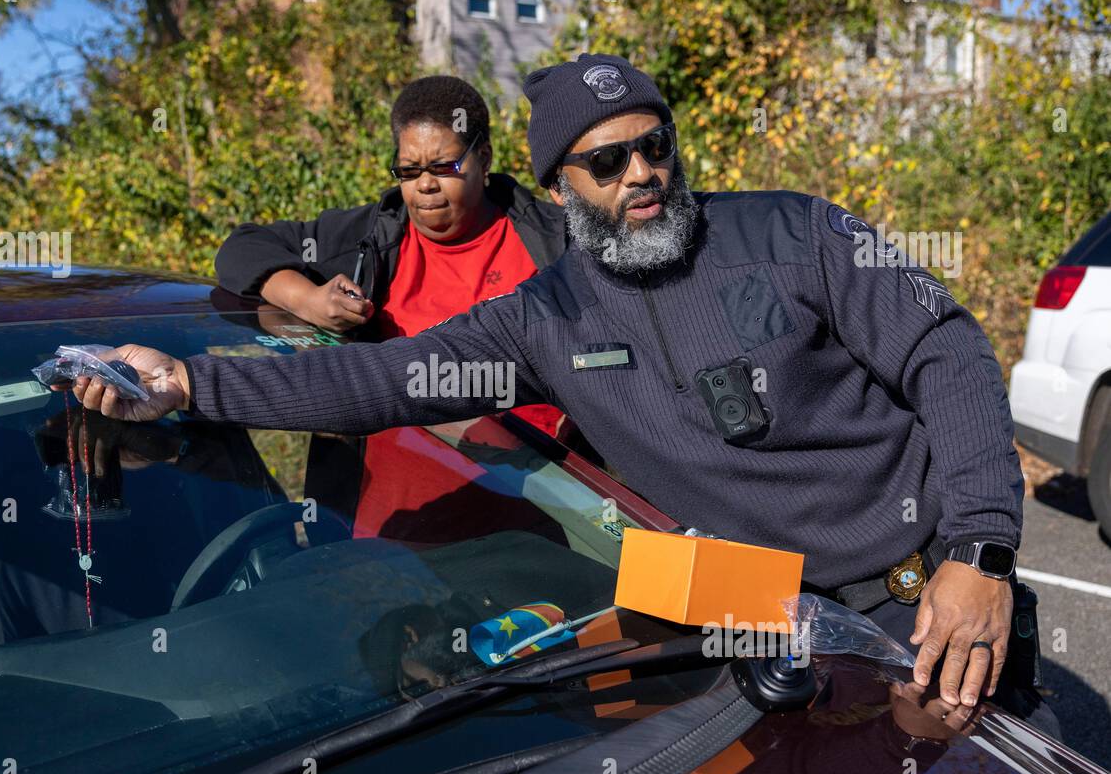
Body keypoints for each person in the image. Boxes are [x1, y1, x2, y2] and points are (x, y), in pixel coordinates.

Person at [55, 53, 1055, 738]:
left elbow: (947, 353)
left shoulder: (795, 233)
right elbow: (374, 377)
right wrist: (190, 379)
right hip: (755, 624)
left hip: (923, 600)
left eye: (655, 143)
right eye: (608, 160)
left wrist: (979, 550)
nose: (644, 173)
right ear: (561, 181)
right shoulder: (544, 318)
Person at [214, 75, 581, 537]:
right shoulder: (373, 238)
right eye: (408, 171)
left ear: (483, 158)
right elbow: (242, 248)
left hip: (539, 533)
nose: (424, 186)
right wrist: (308, 299)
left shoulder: (554, 239)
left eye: (443, 167)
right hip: (387, 540)